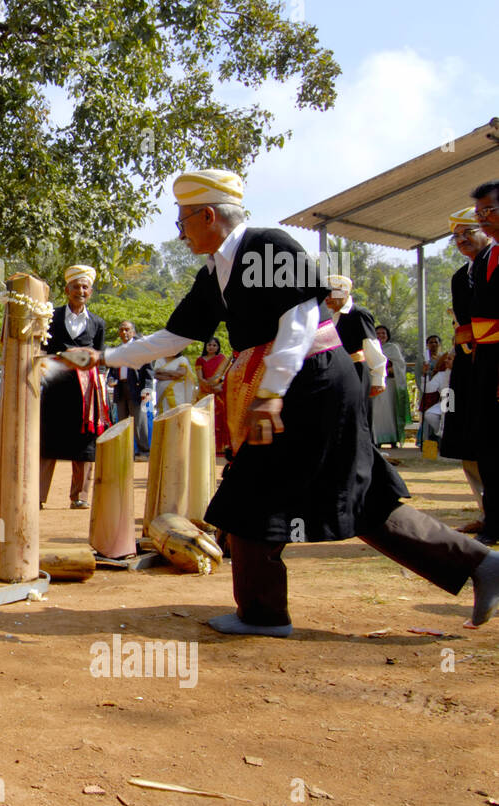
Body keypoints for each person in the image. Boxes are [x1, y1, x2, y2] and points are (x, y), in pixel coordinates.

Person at [68, 169, 499, 634]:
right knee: (361, 501)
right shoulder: (215, 271)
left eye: (182, 222)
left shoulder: (269, 245)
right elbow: (176, 336)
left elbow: (299, 321)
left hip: (311, 384)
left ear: (208, 215)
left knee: (249, 493)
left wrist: (271, 395)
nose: (181, 233)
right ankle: (480, 564)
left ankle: (263, 613)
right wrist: (104, 356)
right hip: (298, 386)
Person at [439, 206, 492, 531]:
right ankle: (488, 512)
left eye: (467, 232)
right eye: (456, 236)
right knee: (469, 441)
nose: (461, 240)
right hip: (469, 368)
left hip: (492, 363)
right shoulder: (461, 277)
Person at [39, 264, 108, 508]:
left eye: (85, 287)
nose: (80, 291)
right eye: (76, 286)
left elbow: (99, 358)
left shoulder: (98, 323)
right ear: (67, 289)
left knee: (84, 443)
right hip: (56, 387)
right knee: (48, 440)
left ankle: (80, 496)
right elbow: (42, 351)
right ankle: (38, 496)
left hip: (85, 393)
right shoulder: (50, 317)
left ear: (91, 291)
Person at [469, 180, 499, 546]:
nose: (484, 219)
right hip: (487, 361)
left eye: (490, 210)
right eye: (480, 214)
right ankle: (493, 521)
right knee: (490, 444)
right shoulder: (487, 257)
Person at [324, 274, 387, 435]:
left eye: (332, 292)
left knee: (359, 416)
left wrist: (378, 377)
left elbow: (371, 345)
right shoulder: (331, 317)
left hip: (357, 372)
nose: (328, 297)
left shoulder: (358, 314)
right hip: (339, 374)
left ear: (344, 292)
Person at [106, 321, 153, 456]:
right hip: (120, 388)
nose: (124, 333)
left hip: (137, 389)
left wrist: (147, 390)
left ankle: (143, 451)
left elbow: (149, 372)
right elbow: (113, 370)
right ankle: (123, 452)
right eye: (121, 330)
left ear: (133, 331)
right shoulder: (117, 349)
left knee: (139, 421)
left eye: (127, 330)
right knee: (121, 421)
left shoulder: (141, 348)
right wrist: (110, 379)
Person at [372, 324, 408, 447]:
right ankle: (378, 439)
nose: (381, 335)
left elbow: (400, 365)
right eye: (378, 333)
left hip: (390, 384)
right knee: (377, 412)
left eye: (383, 333)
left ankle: (393, 439)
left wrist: (390, 368)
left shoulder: (393, 348)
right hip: (376, 383)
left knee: (391, 411)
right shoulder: (370, 347)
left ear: (387, 335)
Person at [194, 337, 231, 454]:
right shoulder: (200, 360)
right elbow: (200, 377)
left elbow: (226, 375)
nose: (211, 347)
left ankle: (220, 447)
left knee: (219, 420)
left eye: (214, 345)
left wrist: (219, 387)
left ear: (218, 347)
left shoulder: (222, 359)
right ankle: (204, 446)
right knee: (204, 418)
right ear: (205, 346)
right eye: (209, 345)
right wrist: (210, 388)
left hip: (219, 393)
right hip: (204, 393)